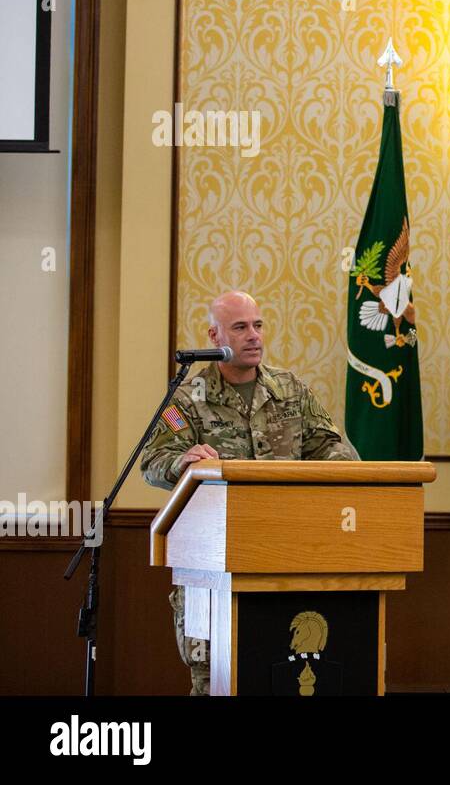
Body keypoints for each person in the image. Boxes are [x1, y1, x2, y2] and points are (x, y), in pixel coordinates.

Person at [140, 290, 356, 694]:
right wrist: (183, 461)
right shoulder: (185, 401)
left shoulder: (290, 391)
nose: (253, 335)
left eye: (257, 325)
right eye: (240, 327)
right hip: (213, 564)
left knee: (281, 673)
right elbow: (152, 461)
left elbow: (331, 447)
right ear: (214, 335)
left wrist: (337, 473)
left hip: (286, 561)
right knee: (214, 682)